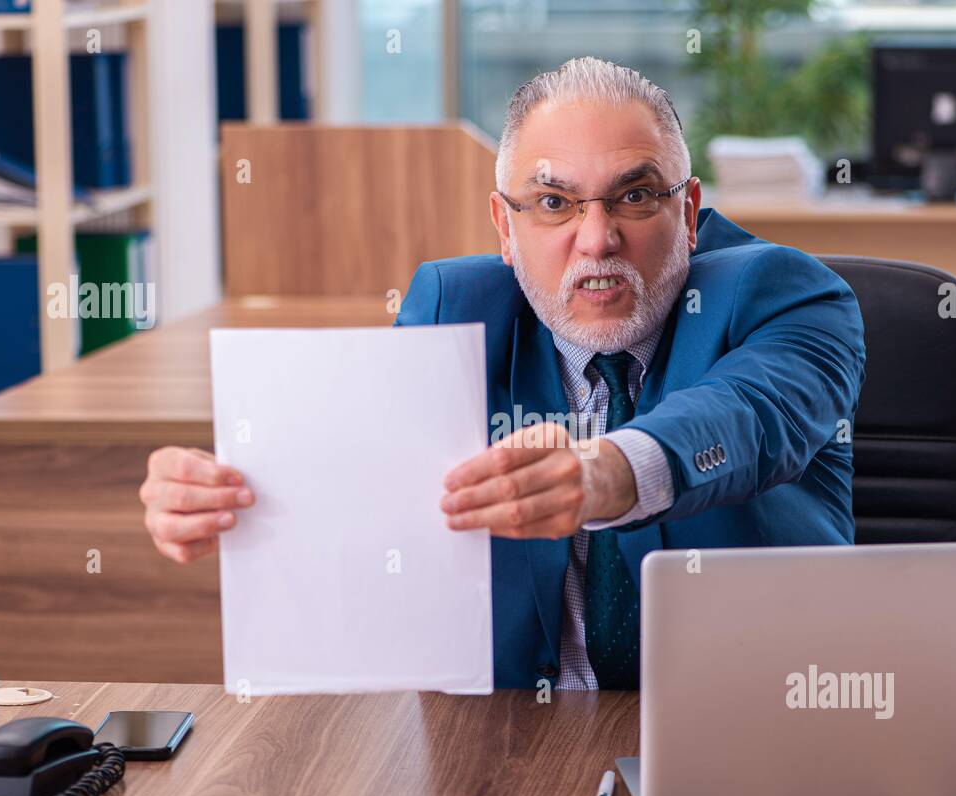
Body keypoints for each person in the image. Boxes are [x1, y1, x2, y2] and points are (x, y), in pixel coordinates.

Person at [140, 57, 865, 690]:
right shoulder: (455, 313)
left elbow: (749, 416)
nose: (597, 238)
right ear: (504, 227)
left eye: (636, 196)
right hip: (508, 754)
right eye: (553, 203)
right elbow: (361, 489)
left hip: (758, 738)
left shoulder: (788, 294)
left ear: (690, 208)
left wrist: (608, 471)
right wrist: (234, 499)